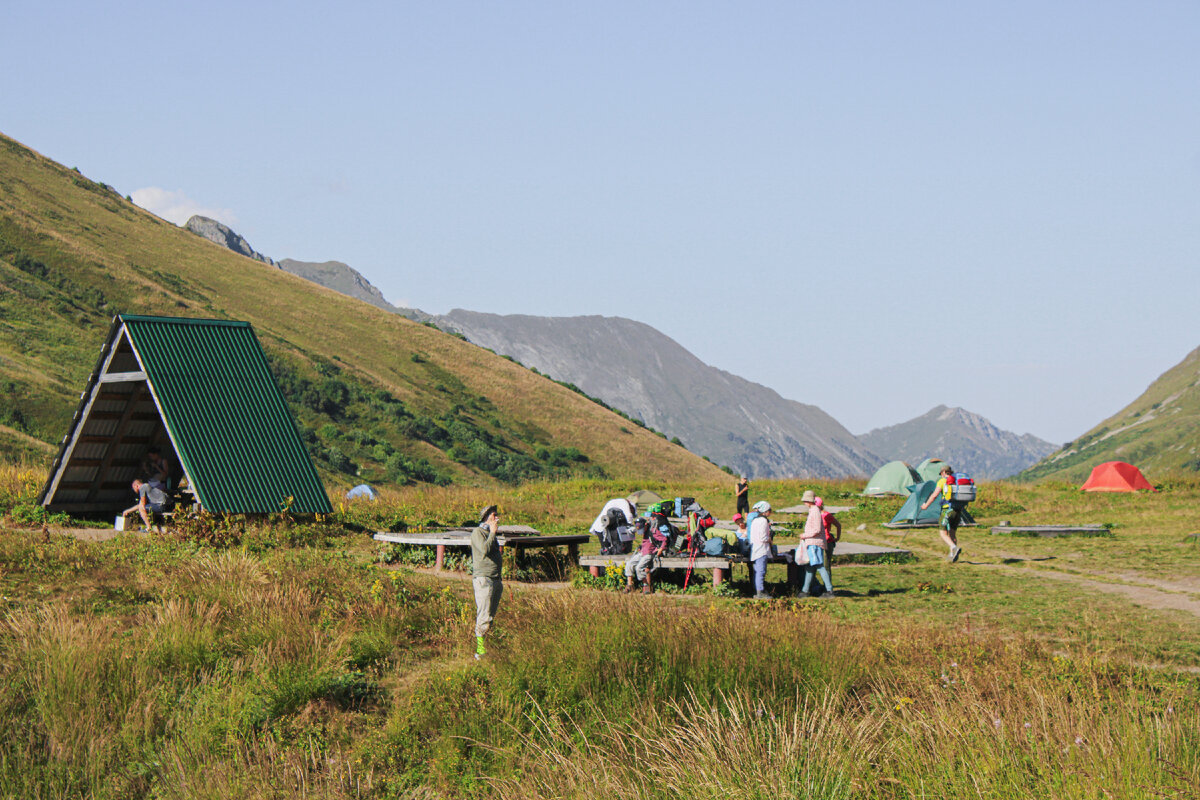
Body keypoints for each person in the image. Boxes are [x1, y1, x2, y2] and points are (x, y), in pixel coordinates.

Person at [471, 504, 504, 659]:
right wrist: (492, 533)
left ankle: (487, 646)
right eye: (494, 515)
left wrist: (492, 534)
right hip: (484, 579)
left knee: (490, 616)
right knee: (483, 615)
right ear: (486, 517)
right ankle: (480, 651)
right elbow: (484, 550)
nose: (497, 518)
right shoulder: (478, 532)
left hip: (495, 578)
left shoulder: (490, 533)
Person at [921, 464, 964, 562]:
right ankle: (952, 555)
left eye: (941, 473)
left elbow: (934, 495)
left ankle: (954, 548)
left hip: (947, 511)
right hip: (957, 510)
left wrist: (925, 506)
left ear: (943, 472)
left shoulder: (942, 481)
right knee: (952, 534)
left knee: (943, 533)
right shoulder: (956, 481)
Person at [799, 490, 834, 598]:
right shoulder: (814, 510)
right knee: (810, 567)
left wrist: (805, 535)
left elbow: (817, 529)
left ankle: (829, 590)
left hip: (815, 543)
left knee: (819, 565)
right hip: (812, 542)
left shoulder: (814, 511)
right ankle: (805, 590)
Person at [624, 516, 668, 594]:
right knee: (629, 564)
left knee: (639, 567)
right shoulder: (644, 531)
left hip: (649, 553)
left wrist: (661, 549)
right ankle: (630, 585)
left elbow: (664, 539)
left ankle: (646, 585)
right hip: (642, 552)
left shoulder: (653, 531)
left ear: (645, 525)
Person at [749, 500, 773, 599]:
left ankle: (759, 590)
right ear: (765, 511)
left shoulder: (755, 520)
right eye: (769, 510)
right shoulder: (763, 521)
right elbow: (763, 537)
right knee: (761, 571)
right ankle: (760, 592)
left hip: (755, 548)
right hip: (761, 549)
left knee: (757, 571)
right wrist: (770, 539)